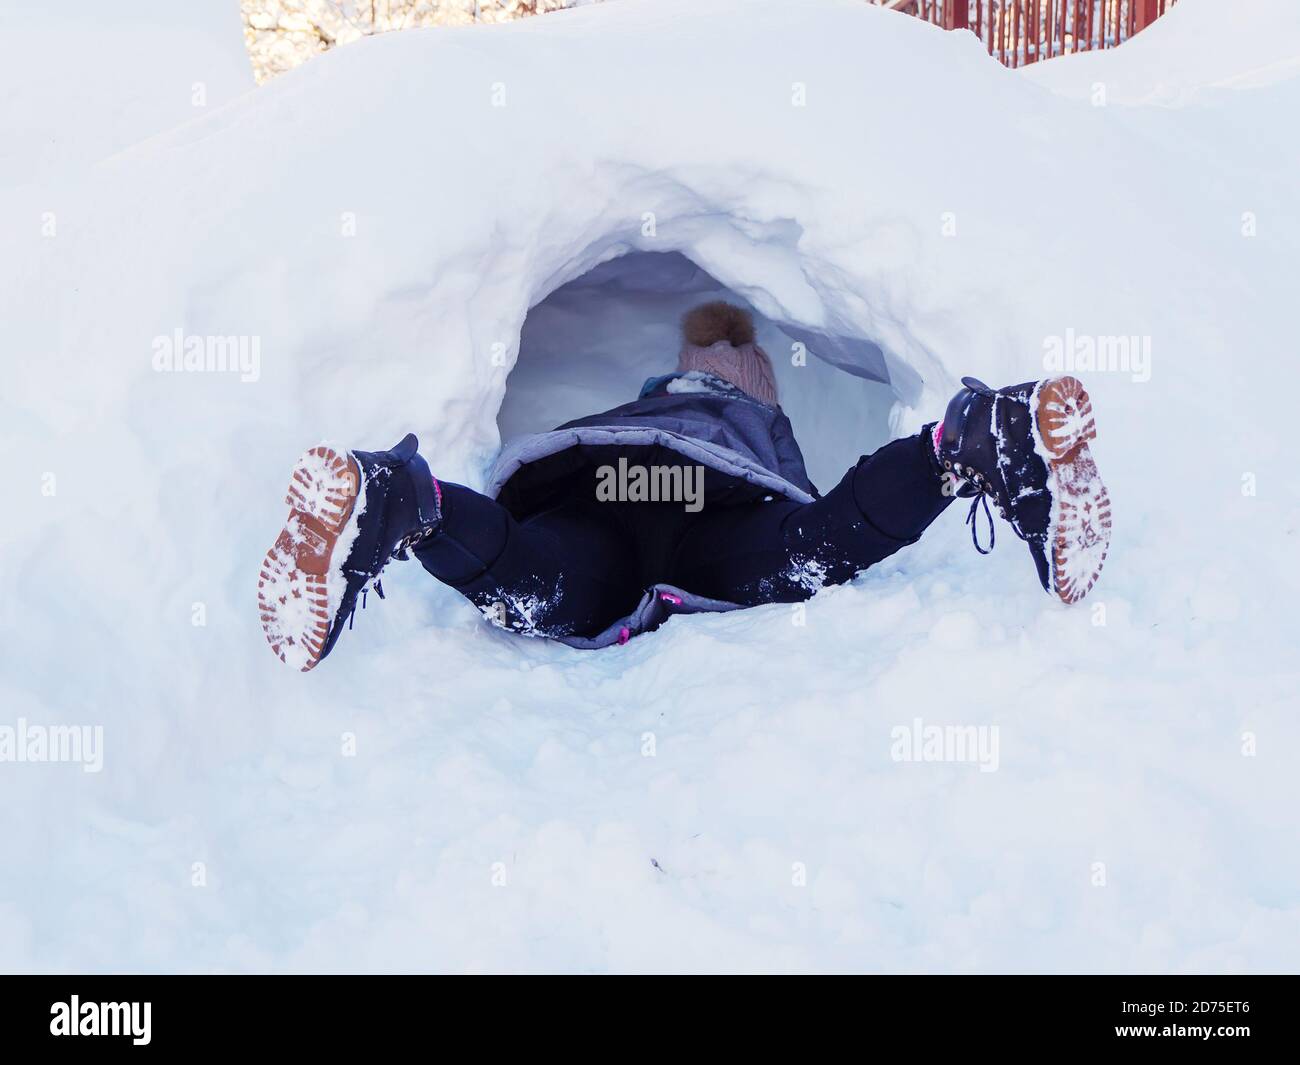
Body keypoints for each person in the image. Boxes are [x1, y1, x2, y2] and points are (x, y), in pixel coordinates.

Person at [257, 302, 1111, 671]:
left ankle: (404, 498)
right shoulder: (756, 407)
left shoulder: (655, 394)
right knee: (814, 547)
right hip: (714, 512)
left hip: (606, 485)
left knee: (533, 575)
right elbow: (794, 484)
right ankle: (962, 442)